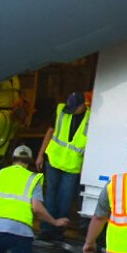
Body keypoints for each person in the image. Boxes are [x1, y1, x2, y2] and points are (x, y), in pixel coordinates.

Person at [37, 91, 90, 240]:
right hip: (53, 160)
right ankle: (47, 228)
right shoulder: (61, 110)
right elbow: (50, 131)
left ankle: (59, 229)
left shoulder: (90, 118)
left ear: (82, 106)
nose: (71, 111)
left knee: (65, 198)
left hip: (72, 165)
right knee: (51, 196)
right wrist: (41, 154)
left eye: (74, 108)